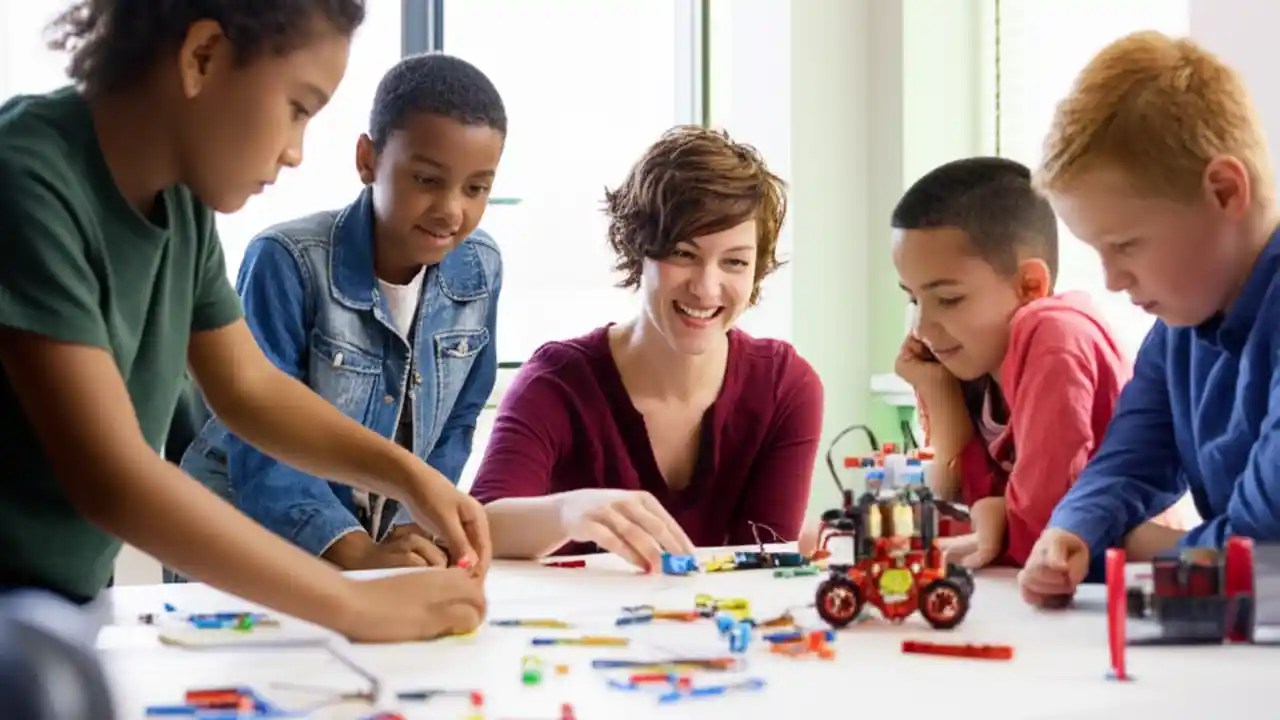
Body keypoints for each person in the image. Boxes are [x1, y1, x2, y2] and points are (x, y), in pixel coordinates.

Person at [0, 0, 488, 643]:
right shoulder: (26, 178)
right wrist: (354, 604)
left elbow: (249, 388)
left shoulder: (181, 204)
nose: (295, 152)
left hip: (67, 606)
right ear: (203, 57)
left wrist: (409, 476)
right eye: (298, 108)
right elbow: (113, 479)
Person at [180, 52, 505, 574]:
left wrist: (409, 531)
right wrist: (358, 556)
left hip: (373, 557)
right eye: (426, 179)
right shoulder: (286, 260)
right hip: (245, 542)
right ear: (368, 160)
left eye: (476, 188)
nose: (452, 209)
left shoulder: (480, 268)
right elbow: (262, 444)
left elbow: (458, 420)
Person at [469, 126, 825, 571]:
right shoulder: (556, 382)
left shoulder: (785, 387)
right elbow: (477, 527)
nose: (706, 287)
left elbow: (766, 565)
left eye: (734, 261)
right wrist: (568, 512)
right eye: (682, 253)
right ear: (638, 249)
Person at [1018, 31, 1280, 607]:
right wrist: (1073, 534)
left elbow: (1264, 549)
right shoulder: (1179, 330)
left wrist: (1142, 547)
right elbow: (1128, 460)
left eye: (1128, 245)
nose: (1112, 279)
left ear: (1224, 190)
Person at [883, 157, 1180, 570]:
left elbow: (1045, 531)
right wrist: (940, 396)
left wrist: (993, 516)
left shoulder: (1055, 336)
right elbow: (949, 511)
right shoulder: (975, 360)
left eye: (948, 299)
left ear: (1030, 286)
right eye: (914, 299)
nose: (921, 329)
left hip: (1125, 580)